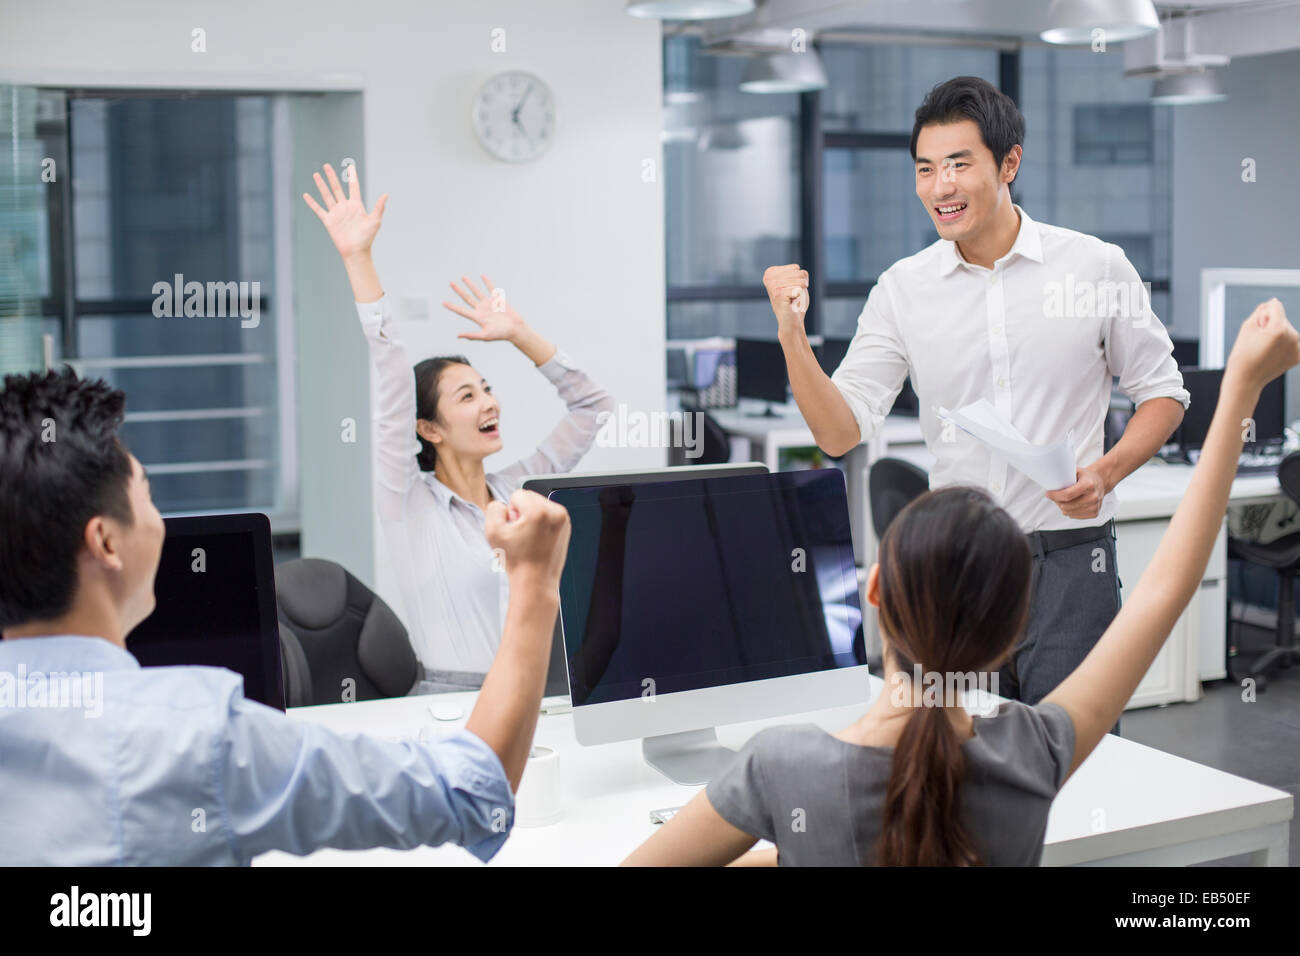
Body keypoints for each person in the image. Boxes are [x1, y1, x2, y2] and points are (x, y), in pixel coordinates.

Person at [624, 299, 1298, 866]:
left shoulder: (781, 768)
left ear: (875, 587)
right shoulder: (1035, 751)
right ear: (1010, 631)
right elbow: (1164, 591)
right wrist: (1243, 385)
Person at [0, 367, 571, 865]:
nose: (160, 522)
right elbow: (469, 796)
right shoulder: (196, 736)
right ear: (105, 541)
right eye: (147, 496)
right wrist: (536, 583)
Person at [762, 77, 1190, 714]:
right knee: (956, 774)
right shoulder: (903, 289)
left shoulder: (1094, 268)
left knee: (1079, 771)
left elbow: (1164, 394)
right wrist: (792, 338)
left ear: (1009, 162)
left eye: (960, 164)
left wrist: (1105, 471)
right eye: (926, 169)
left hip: (1071, 564)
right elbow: (838, 431)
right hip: (958, 570)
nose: (941, 187)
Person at [302, 162, 614, 690]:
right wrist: (359, 258)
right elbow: (393, 374)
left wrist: (520, 334)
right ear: (429, 429)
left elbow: (593, 407)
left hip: (542, 691)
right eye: (467, 396)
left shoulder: (520, 488)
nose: (489, 402)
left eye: (487, 389)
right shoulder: (408, 501)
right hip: (451, 701)